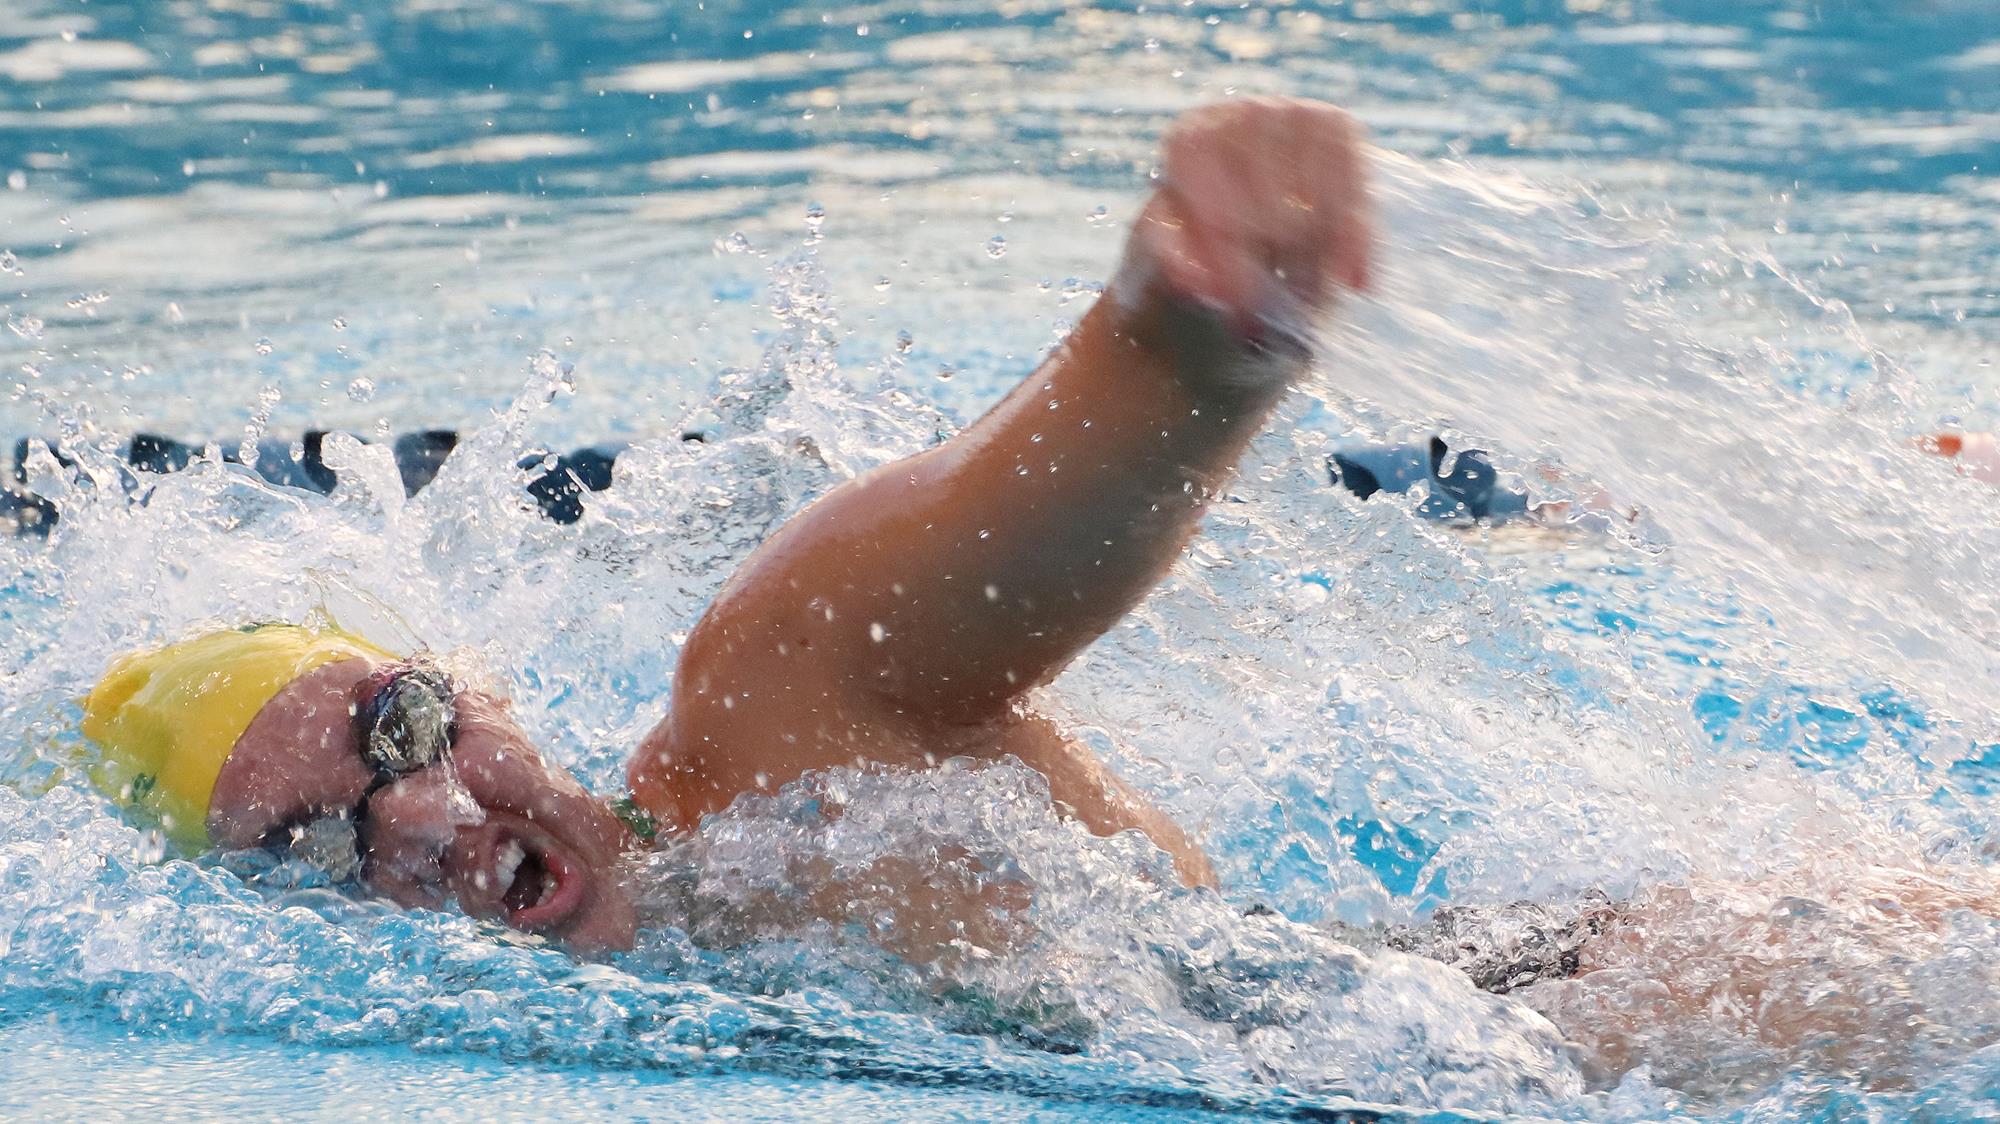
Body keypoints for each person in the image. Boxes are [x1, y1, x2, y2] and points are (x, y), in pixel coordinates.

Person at [77, 96, 1373, 954]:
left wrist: (1193, 319)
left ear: (480, 687)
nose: (417, 815)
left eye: (397, 724)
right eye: (316, 840)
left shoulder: (771, 703)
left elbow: (1060, 488)